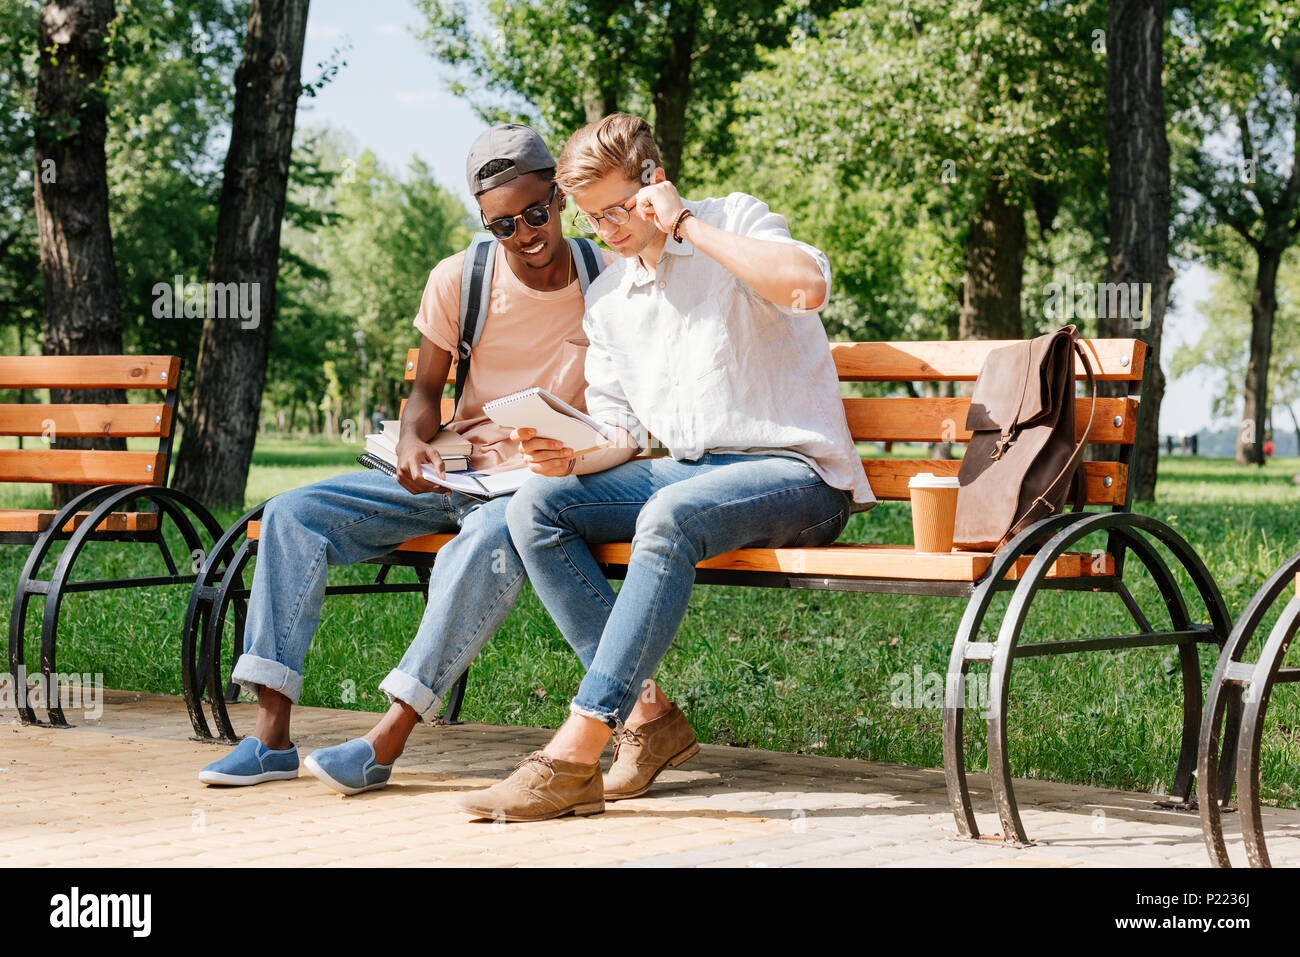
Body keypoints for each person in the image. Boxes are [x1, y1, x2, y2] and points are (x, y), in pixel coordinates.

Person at [454, 113, 875, 823]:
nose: (609, 232)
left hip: (800, 476)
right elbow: (621, 431)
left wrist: (687, 227)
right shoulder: (611, 299)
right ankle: (646, 719)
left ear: (654, 181)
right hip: (692, 472)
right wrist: (571, 455)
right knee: (536, 505)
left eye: (619, 210)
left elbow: (808, 287)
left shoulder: (730, 220)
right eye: (592, 221)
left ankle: (575, 750)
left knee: (667, 516)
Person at [198, 124, 624, 794]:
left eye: (537, 213)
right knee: (290, 514)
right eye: (504, 224)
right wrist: (411, 442)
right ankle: (271, 734)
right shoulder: (462, 278)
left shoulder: (610, 279)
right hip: (457, 470)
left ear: (560, 196)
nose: (527, 234)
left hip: (538, 486)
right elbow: (425, 394)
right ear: (485, 220)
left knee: (480, 539)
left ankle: (385, 739)